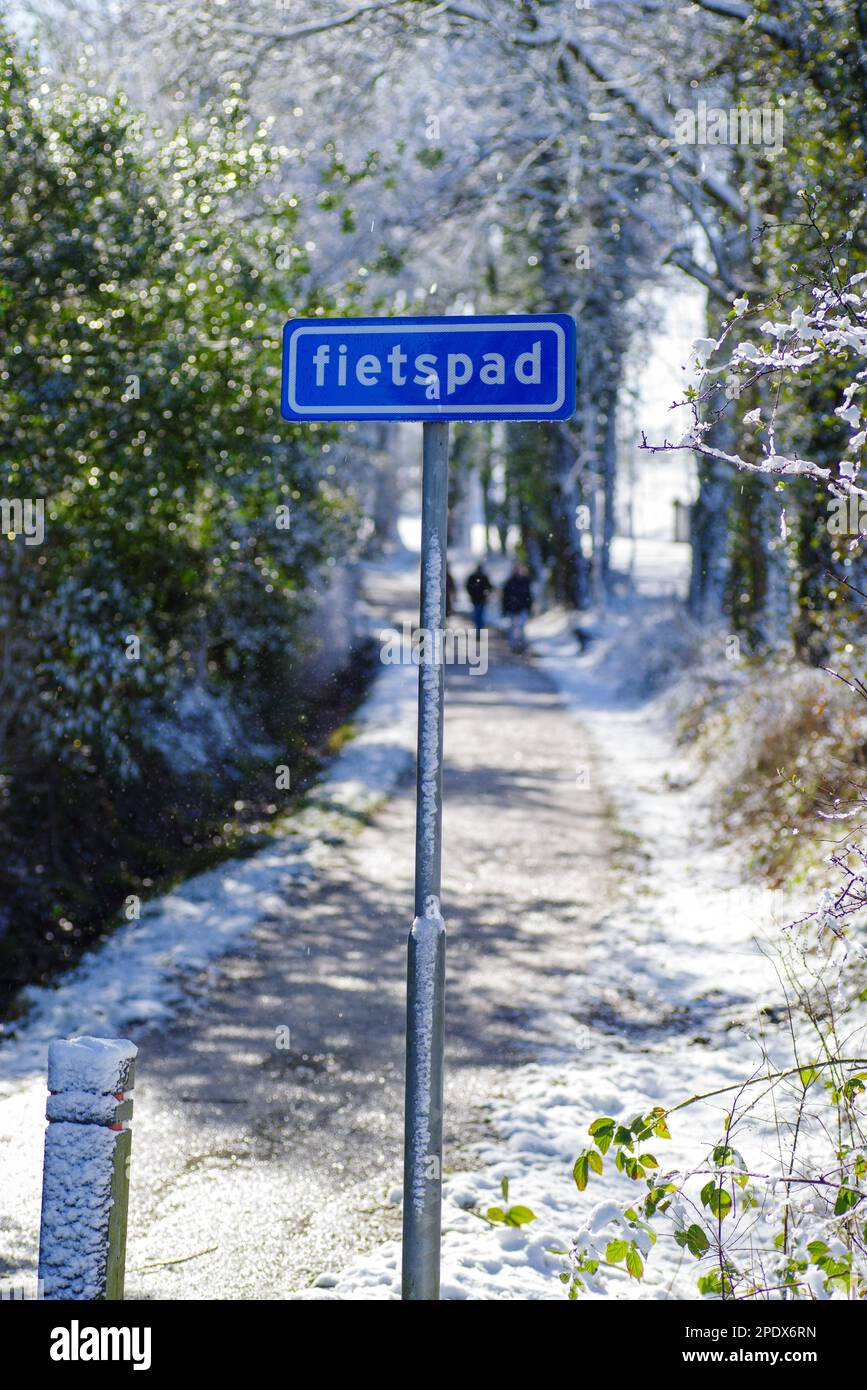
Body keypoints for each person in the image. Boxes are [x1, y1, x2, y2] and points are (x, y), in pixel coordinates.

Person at [501, 561, 533, 652]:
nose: (517, 571)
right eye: (516, 569)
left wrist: (529, 607)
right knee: (513, 628)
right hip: (512, 608)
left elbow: (529, 596)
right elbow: (505, 597)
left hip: (522, 608)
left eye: (519, 569)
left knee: (521, 627)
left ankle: (521, 645)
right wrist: (504, 609)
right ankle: (513, 646)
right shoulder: (509, 582)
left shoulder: (526, 581)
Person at [465, 563, 493, 635]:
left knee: (478, 614)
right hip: (480, 599)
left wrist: (472, 594)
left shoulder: (475, 577)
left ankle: (478, 628)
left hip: (478, 599)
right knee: (479, 614)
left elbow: (468, 586)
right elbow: (490, 587)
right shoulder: (483, 577)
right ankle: (479, 628)